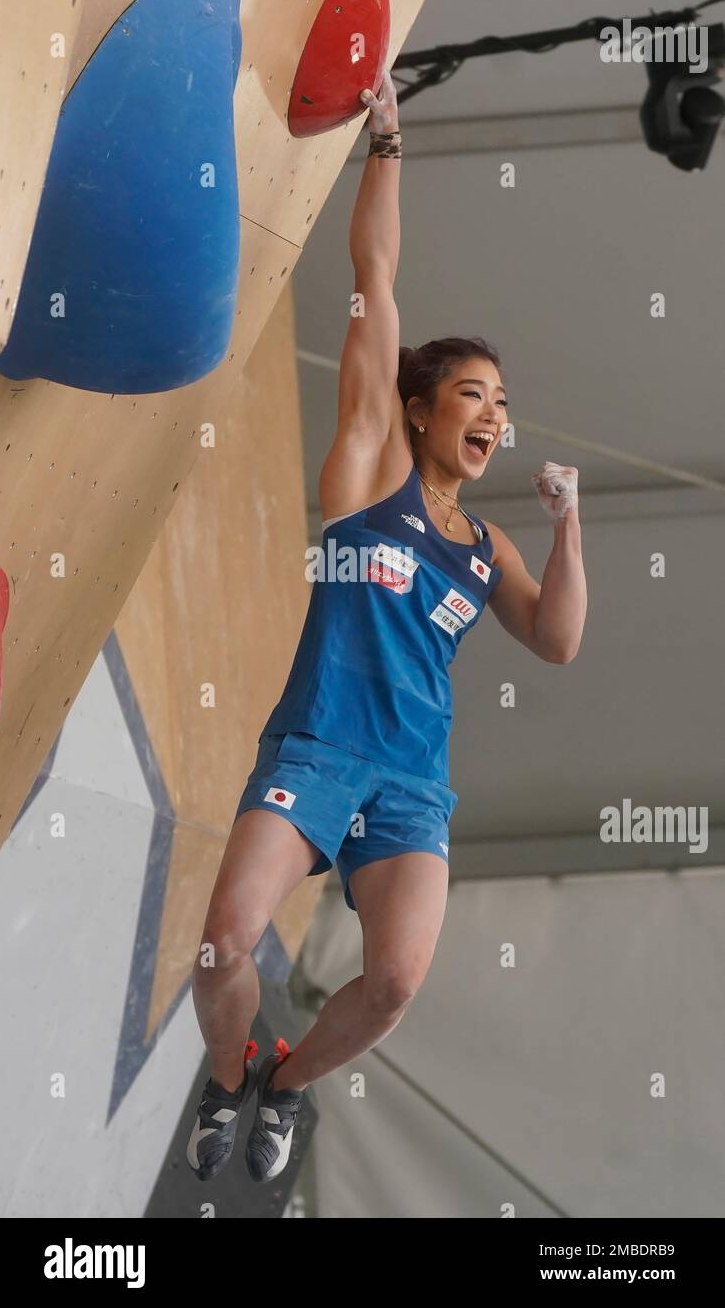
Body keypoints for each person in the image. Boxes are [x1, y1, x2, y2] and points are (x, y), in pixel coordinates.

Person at [187, 71, 587, 1185]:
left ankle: (286, 1084)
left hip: (409, 785)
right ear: (417, 406)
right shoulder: (366, 477)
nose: (493, 417)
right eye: (472, 394)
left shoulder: (481, 548)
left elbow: (555, 641)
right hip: (316, 752)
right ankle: (229, 1073)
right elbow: (375, 277)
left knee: (395, 985)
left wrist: (565, 528)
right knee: (223, 945)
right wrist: (388, 142)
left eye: (503, 405)